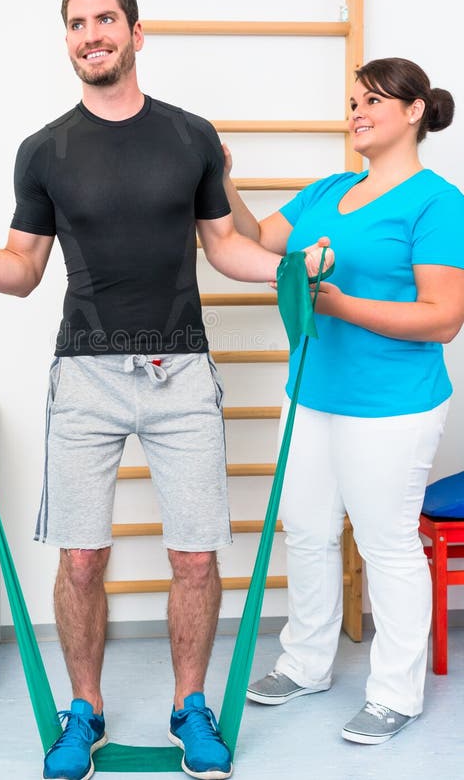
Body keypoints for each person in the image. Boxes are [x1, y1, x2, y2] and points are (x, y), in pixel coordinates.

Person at [0, 0, 332, 780]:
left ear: (137, 33)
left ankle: (189, 706)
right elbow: (23, 268)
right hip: (86, 376)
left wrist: (291, 264)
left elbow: (225, 247)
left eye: (105, 19)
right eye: (76, 23)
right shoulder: (45, 150)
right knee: (79, 561)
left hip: (182, 374)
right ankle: (86, 712)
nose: (90, 34)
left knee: (197, 558)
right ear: (67, 39)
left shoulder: (191, 136)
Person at [222, 57, 464, 745]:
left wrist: (341, 304)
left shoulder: (436, 201)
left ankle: (395, 693)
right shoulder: (328, 190)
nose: (356, 111)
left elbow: (444, 318)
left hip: (393, 402)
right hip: (311, 393)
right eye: (352, 101)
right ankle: (306, 664)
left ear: (415, 111)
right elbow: (253, 240)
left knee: (387, 543)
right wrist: (223, 180)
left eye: (374, 101)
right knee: (307, 530)